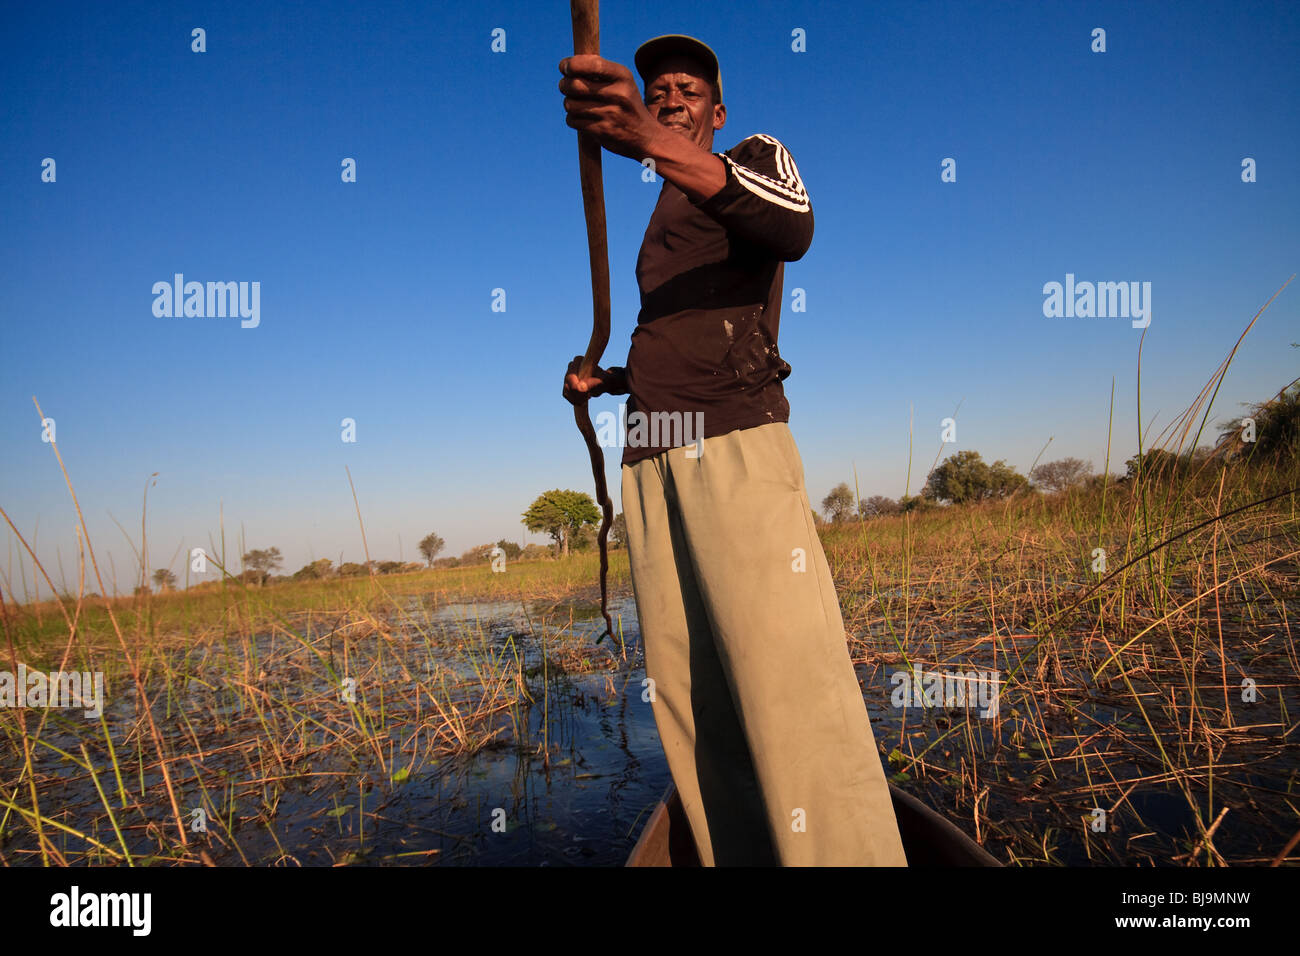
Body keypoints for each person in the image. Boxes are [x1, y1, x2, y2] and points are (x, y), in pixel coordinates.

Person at [559, 34, 907, 866]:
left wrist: (645, 137)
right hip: (651, 450)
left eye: (685, 89)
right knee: (691, 693)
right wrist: (605, 381)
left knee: (782, 678)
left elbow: (795, 228)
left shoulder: (753, 158)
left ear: (716, 111)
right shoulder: (663, 212)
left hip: (733, 441)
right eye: (656, 89)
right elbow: (673, 331)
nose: (669, 95)